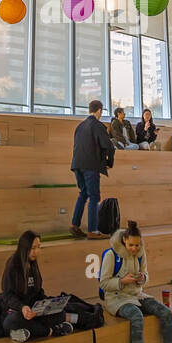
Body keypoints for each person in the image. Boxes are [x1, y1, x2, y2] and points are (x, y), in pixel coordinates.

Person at [0, 231, 79, 342]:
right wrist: (22, 308)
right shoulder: (13, 265)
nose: (36, 252)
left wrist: (45, 304)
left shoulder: (33, 264)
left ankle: (26, 332)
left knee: (60, 313)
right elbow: (7, 295)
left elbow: (38, 291)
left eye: (38, 247)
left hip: (33, 310)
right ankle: (50, 331)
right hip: (17, 311)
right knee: (11, 322)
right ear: (24, 248)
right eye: (33, 248)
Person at [70, 99, 114, 240]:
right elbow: (109, 146)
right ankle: (93, 230)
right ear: (99, 110)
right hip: (90, 165)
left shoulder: (80, 126)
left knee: (83, 193)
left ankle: (75, 225)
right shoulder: (97, 126)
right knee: (94, 196)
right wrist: (109, 162)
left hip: (77, 164)